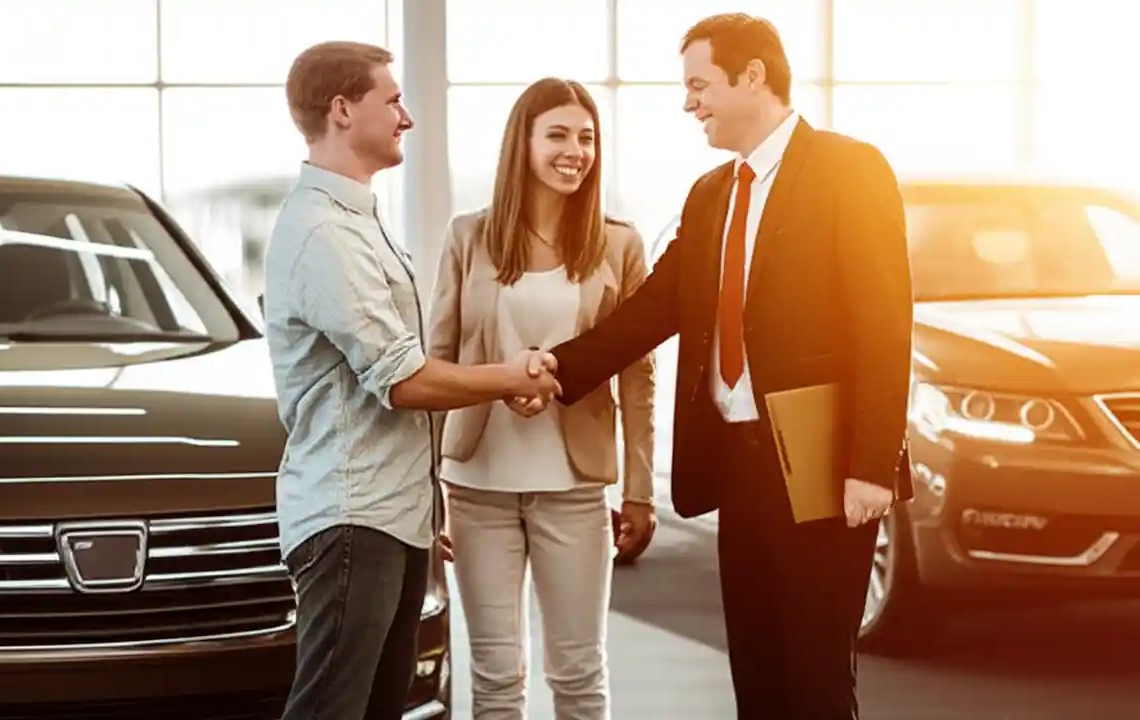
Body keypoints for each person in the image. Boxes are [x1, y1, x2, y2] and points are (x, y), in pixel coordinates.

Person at [536, 14, 914, 719]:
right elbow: (656, 310)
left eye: (699, 84)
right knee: (759, 674)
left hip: (824, 465)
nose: (689, 103)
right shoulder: (711, 193)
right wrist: (555, 370)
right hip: (738, 466)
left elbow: (885, 324)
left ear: (752, 77)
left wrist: (870, 463)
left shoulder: (849, 168)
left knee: (817, 678)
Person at [264, 41, 560, 720]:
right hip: (351, 517)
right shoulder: (322, 234)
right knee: (330, 709)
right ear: (342, 110)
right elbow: (402, 380)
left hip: (390, 516)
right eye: (392, 100)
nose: (408, 117)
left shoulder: (359, 221)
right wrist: (510, 375)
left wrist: (426, 503)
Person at [426, 77, 657, 719]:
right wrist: (424, 485)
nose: (574, 150)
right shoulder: (468, 237)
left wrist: (640, 490)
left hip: (576, 486)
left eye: (586, 137)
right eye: (557, 134)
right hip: (476, 484)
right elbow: (434, 362)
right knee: (496, 676)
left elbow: (638, 375)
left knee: (579, 673)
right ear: (521, 142)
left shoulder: (619, 243)